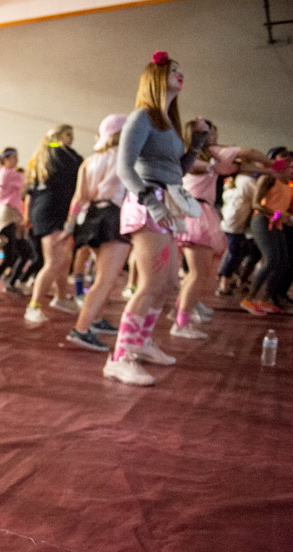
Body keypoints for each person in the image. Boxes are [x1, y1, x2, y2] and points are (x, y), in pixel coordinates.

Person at [106, 51, 209, 386]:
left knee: (166, 285)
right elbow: (124, 167)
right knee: (150, 284)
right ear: (156, 76)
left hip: (168, 204)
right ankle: (120, 357)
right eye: (174, 70)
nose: (181, 75)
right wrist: (152, 202)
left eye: (181, 70)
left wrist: (195, 147)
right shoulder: (141, 117)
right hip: (149, 204)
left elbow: (175, 172)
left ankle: (142, 343)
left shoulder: (168, 126)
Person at [173, 121, 271, 338]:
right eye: (210, 132)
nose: (215, 135)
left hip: (193, 211)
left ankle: (182, 313)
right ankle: (181, 322)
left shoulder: (197, 155)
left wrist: (271, 170)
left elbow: (240, 166)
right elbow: (248, 154)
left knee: (195, 274)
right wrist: (271, 164)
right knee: (198, 274)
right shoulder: (207, 154)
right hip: (197, 213)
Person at [62, 114, 131, 351]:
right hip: (114, 216)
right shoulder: (126, 158)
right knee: (106, 278)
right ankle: (81, 329)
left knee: (101, 275)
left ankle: (97, 319)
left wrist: (69, 227)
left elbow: (79, 198)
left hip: (92, 217)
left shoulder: (89, 161)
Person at [22, 124, 84, 323]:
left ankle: (61, 297)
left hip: (55, 210)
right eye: (68, 135)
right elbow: (79, 168)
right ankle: (34, 305)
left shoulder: (52, 153)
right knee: (54, 261)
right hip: (51, 211)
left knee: (64, 258)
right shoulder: (58, 152)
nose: (71, 139)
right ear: (58, 136)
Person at [240, 154, 292, 314]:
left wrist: (284, 216)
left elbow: (284, 208)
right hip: (263, 221)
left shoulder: (287, 185)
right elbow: (257, 203)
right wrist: (277, 215)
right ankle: (249, 298)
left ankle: (265, 298)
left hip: (276, 223)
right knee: (271, 260)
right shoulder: (268, 178)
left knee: (282, 261)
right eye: (290, 167)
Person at [0, 147, 29, 298]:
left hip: (12, 215)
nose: (16, 160)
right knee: (11, 256)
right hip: (7, 216)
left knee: (23, 253)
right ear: (6, 159)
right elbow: (23, 187)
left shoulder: (5, 174)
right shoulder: (7, 174)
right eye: (13, 158)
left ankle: (10, 281)